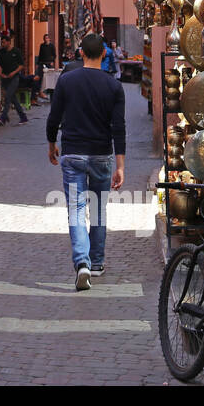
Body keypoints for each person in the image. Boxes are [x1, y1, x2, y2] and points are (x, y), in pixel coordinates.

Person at [46, 32, 127, 291]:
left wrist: (51, 143)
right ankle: (97, 263)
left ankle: (82, 262)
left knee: (76, 210)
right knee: (99, 209)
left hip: (72, 155)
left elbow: (54, 116)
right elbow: (119, 128)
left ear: (81, 53)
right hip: (102, 155)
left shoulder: (67, 80)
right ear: (104, 55)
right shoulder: (114, 86)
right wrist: (121, 165)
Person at [0, 33, 29, 125]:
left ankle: (3, 118)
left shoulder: (16, 51)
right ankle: (23, 117)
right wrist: (0, 73)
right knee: (12, 98)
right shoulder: (1, 52)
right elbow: (0, 64)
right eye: (1, 43)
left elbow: (21, 65)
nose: (2, 44)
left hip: (14, 77)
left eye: (3, 42)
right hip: (5, 77)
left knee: (8, 97)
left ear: (8, 42)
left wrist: (13, 73)